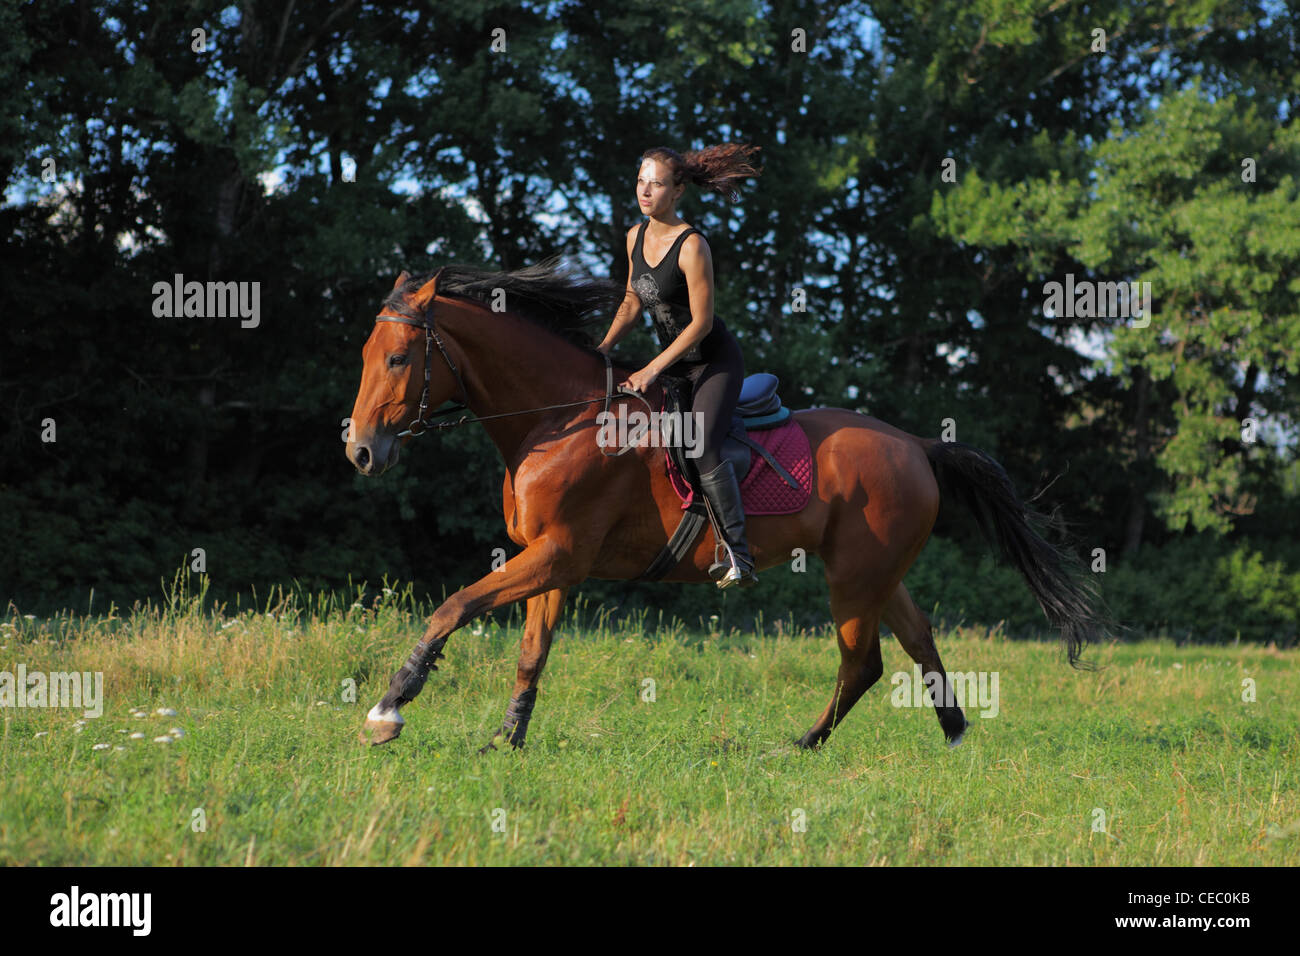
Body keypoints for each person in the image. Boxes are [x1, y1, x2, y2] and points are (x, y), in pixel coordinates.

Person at [596, 143, 761, 589]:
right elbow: (633, 300)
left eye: (657, 184)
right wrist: (605, 345)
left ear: (679, 190)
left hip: (713, 362)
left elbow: (702, 324)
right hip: (673, 366)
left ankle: (739, 556)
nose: (645, 191)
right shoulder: (634, 237)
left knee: (701, 443)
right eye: (641, 181)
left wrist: (649, 369)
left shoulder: (693, 246)